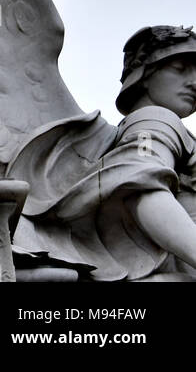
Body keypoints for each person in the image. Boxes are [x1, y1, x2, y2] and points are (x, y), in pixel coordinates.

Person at [10, 25, 196, 280]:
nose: (194, 82)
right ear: (145, 72)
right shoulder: (157, 119)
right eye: (180, 68)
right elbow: (141, 189)